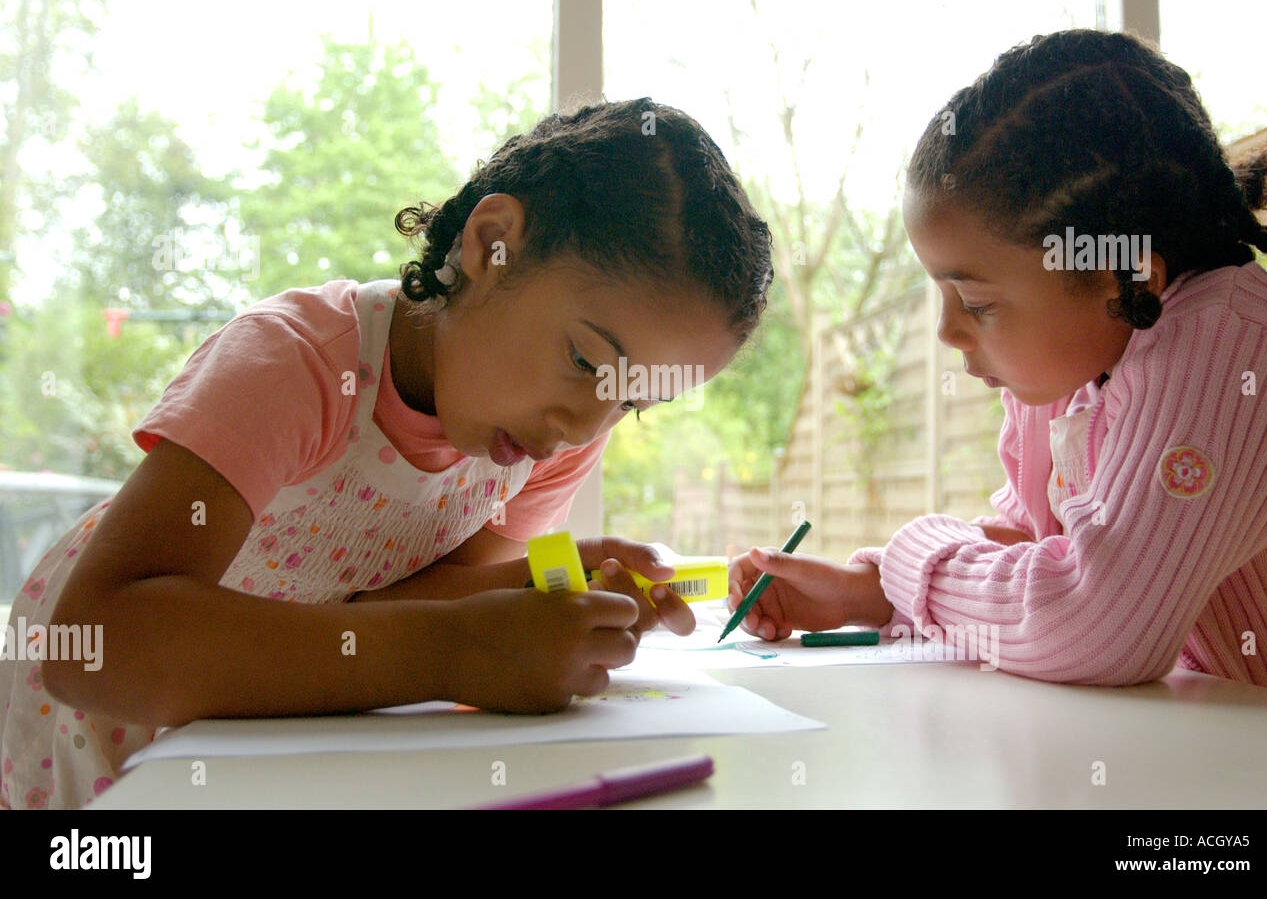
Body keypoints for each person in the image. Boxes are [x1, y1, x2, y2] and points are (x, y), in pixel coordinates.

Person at [1, 97, 774, 808]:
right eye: (585, 363)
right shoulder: (296, 363)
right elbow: (99, 648)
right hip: (87, 762)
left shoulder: (547, 440)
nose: (585, 425)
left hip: (256, 760)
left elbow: (392, 611)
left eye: (631, 401)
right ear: (491, 243)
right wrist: (453, 652)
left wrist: (548, 594)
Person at [729, 29, 1267, 696]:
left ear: (1129, 280)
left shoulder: (1230, 353)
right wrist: (868, 591)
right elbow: (1031, 542)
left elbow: (1097, 621)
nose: (946, 332)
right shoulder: (1081, 361)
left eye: (976, 302)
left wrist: (908, 568)